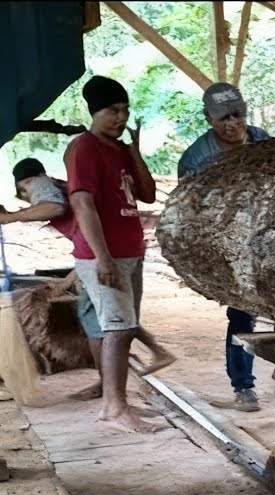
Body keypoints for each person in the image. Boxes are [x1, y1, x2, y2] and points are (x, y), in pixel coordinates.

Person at [2, 158, 172, 402]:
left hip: (103, 256)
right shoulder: (62, 185)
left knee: (101, 318)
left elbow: (54, 207)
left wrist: (10, 218)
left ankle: (112, 390)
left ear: (26, 181)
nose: (27, 196)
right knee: (109, 313)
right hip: (109, 251)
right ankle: (149, 357)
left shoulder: (40, 184)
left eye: (24, 191)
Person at [64, 75, 172, 433]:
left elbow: (148, 194)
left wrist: (135, 151)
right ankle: (114, 407)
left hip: (130, 251)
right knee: (117, 328)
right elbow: (82, 203)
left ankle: (119, 401)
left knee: (123, 328)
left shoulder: (120, 149)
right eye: (113, 110)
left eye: (125, 110)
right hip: (104, 255)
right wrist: (103, 258)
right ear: (95, 111)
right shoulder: (85, 147)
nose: (121, 117)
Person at [178, 82, 269, 412]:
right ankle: (243, 386)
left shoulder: (264, 142)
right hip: (229, 244)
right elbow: (191, 213)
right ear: (208, 120)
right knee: (241, 315)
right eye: (223, 119)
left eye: (238, 115)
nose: (233, 124)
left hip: (267, 237)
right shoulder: (197, 160)